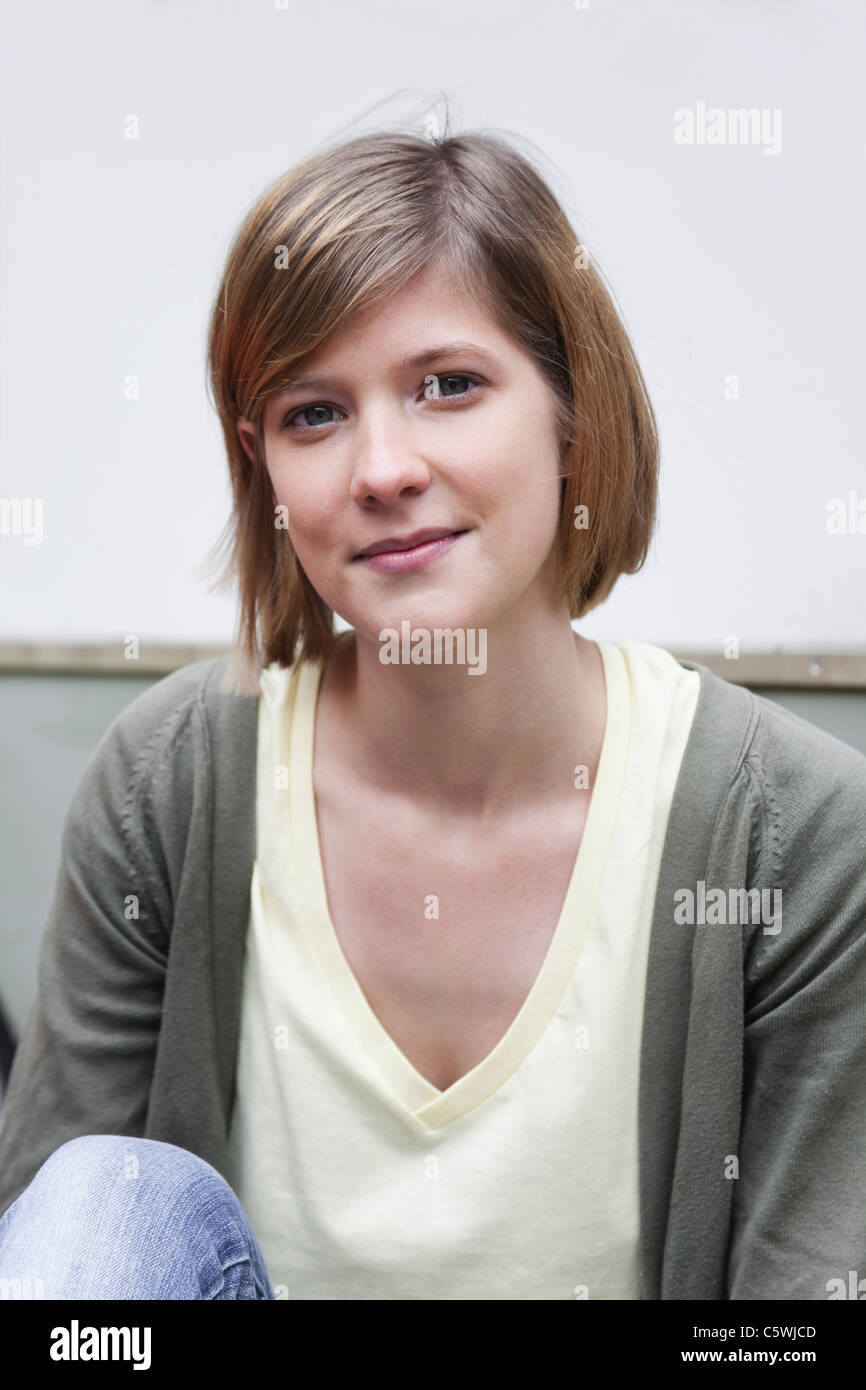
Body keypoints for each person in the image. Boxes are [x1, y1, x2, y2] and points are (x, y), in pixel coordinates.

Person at [1, 122, 865, 1302]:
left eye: (448, 386)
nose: (381, 468)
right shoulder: (171, 778)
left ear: (572, 410)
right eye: (314, 414)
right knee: (103, 1199)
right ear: (264, 472)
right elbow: (62, 1261)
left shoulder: (791, 827)